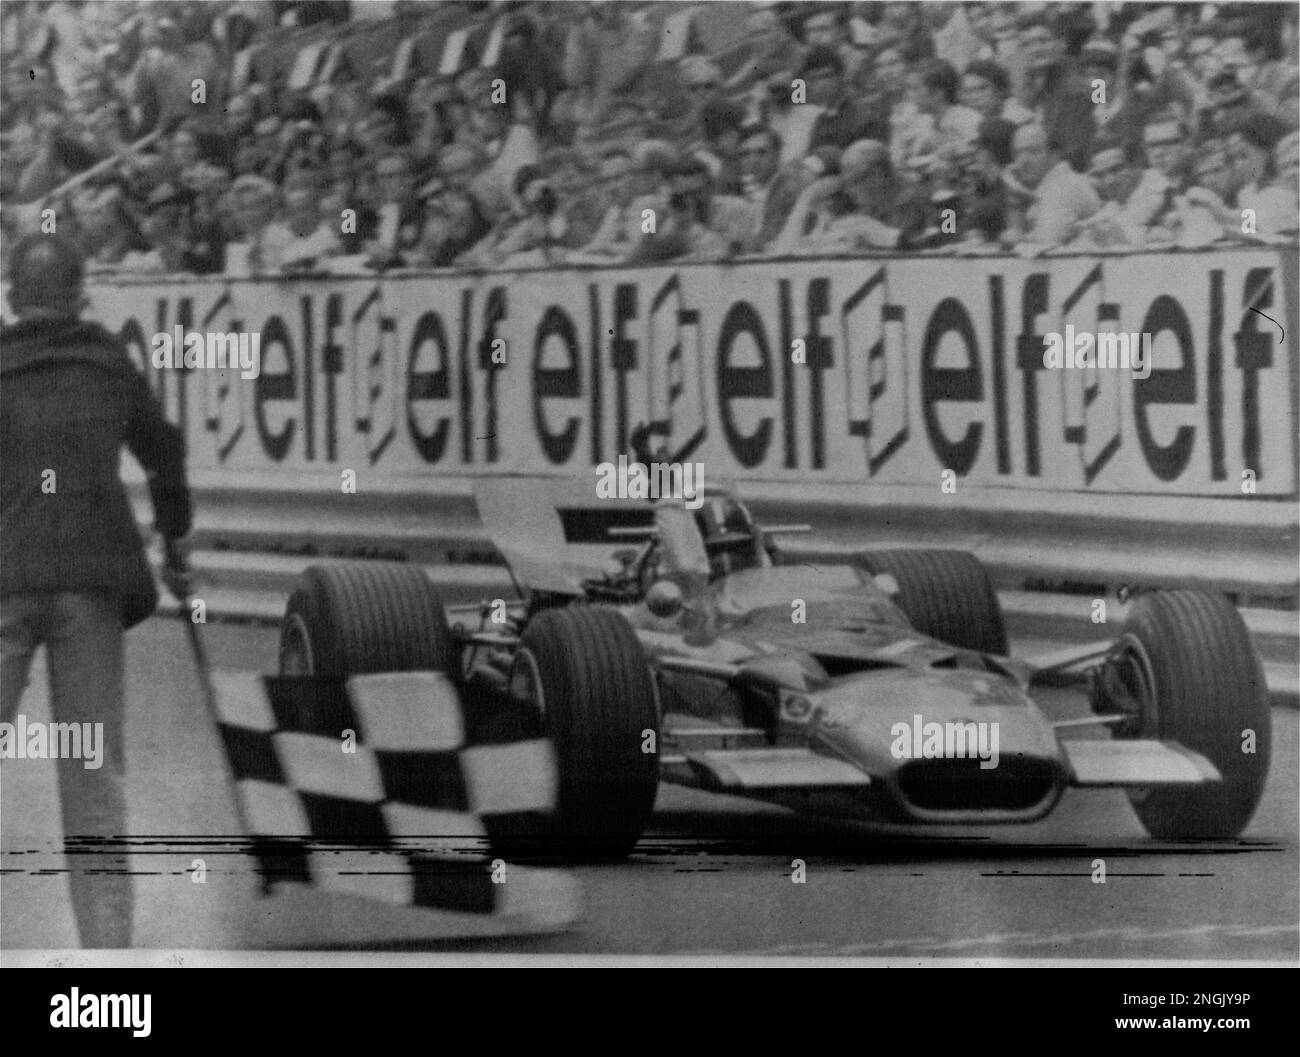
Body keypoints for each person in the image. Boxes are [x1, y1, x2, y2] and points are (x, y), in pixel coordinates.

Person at [0, 233, 193, 948]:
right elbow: (165, 449)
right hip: (90, 579)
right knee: (93, 776)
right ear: (83, 293)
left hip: (5, 575)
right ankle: (108, 962)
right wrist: (176, 543)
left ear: (12, 295)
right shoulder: (107, 358)